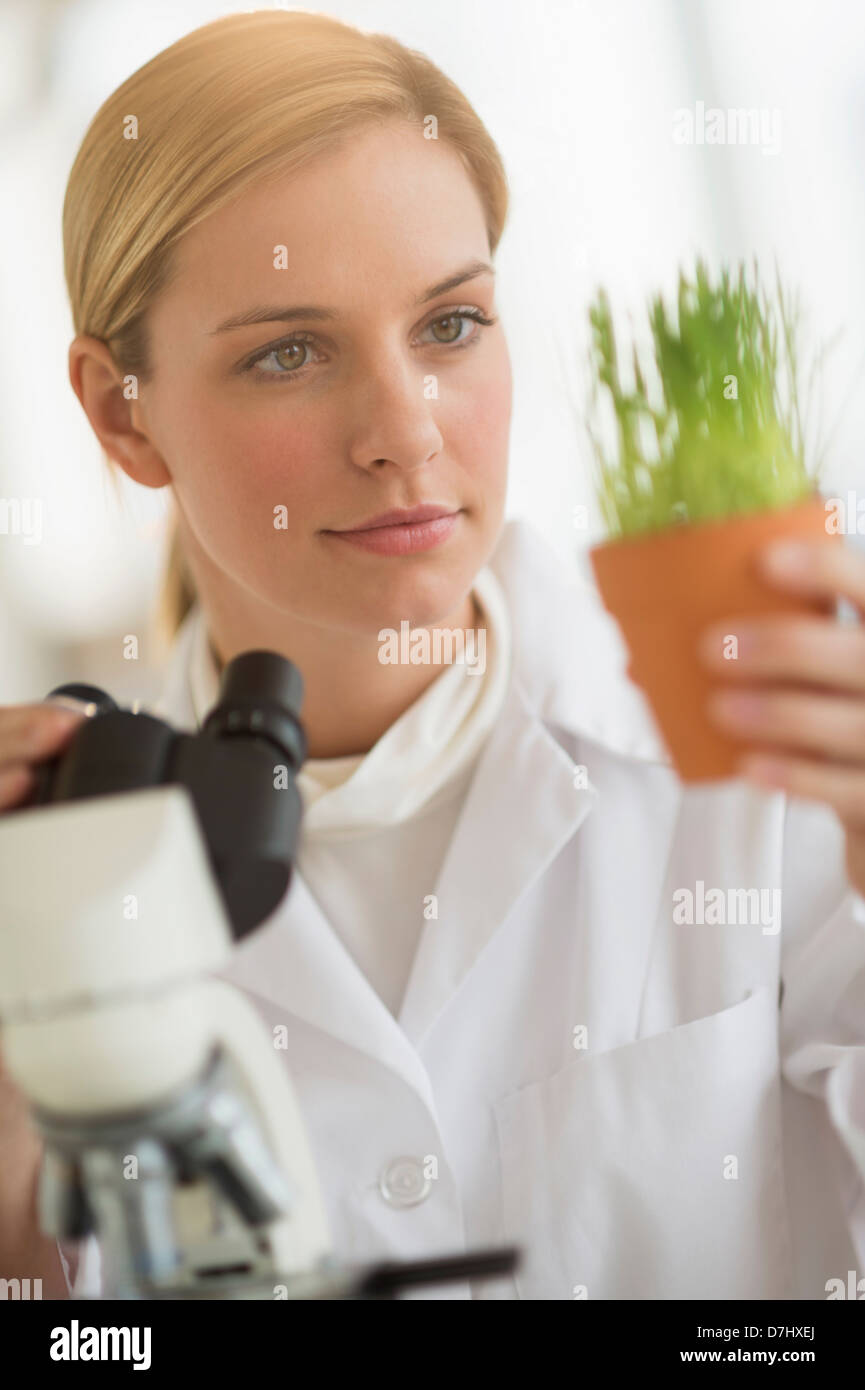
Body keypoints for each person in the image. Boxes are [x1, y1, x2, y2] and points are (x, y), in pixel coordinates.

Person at [1, 9, 865, 1301]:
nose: (403, 432)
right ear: (124, 414)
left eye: (450, 325)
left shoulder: (767, 737)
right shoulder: (50, 867)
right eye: (289, 352)